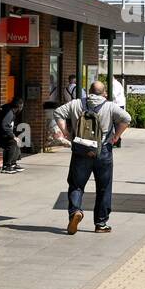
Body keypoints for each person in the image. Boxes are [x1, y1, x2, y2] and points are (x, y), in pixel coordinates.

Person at [53, 80, 131, 234]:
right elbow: (126, 118)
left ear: (89, 91)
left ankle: (75, 211)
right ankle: (101, 224)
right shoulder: (110, 106)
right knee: (104, 187)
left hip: (80, 150)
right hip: (103, 152)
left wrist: (66, 132)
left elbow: (58, 113)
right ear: (105, 93)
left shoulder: (76, 103)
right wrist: (116, 136)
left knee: (76, 184)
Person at [0, 97, 25, 173]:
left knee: (16, 141)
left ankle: (13, 164)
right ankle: (6, 166)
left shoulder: (9, 111)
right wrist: (13, 136)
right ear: (19, 106)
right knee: (12, 142)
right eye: (21, 107)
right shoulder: (9, 112)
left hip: (0, 135)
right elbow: (5, 125)